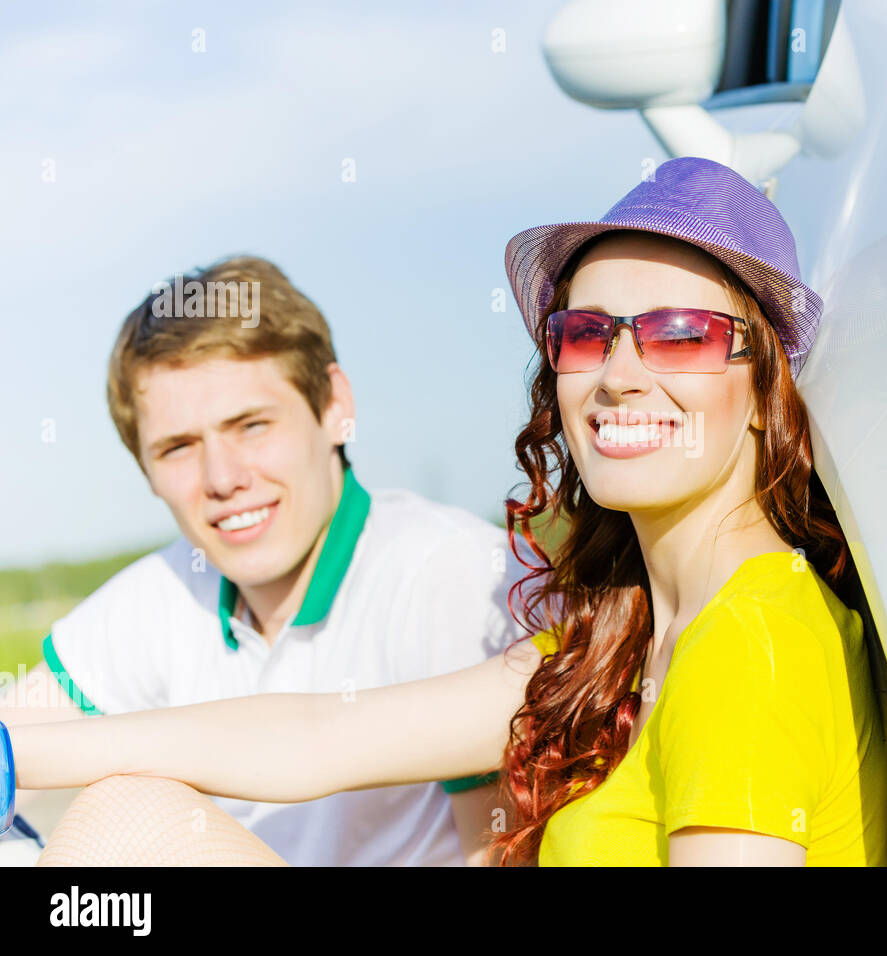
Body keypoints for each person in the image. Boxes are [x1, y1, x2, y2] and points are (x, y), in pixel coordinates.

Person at [1, 157, 887, 866]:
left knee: (129, 831)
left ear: (765, 385)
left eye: (681, 335)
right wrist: (12, 755)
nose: (620, 374)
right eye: (587, 334)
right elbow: (319, 735)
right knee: (131, 818)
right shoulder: (616, 639)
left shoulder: (750, 640)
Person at [0, 256, 529, 866]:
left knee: (127, 814)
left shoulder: (457, 576)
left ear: (334, 405)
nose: (223, 478)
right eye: (178, 447)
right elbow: (17, 731)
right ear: (143, 467)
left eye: (251, 425)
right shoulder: (164, 590)